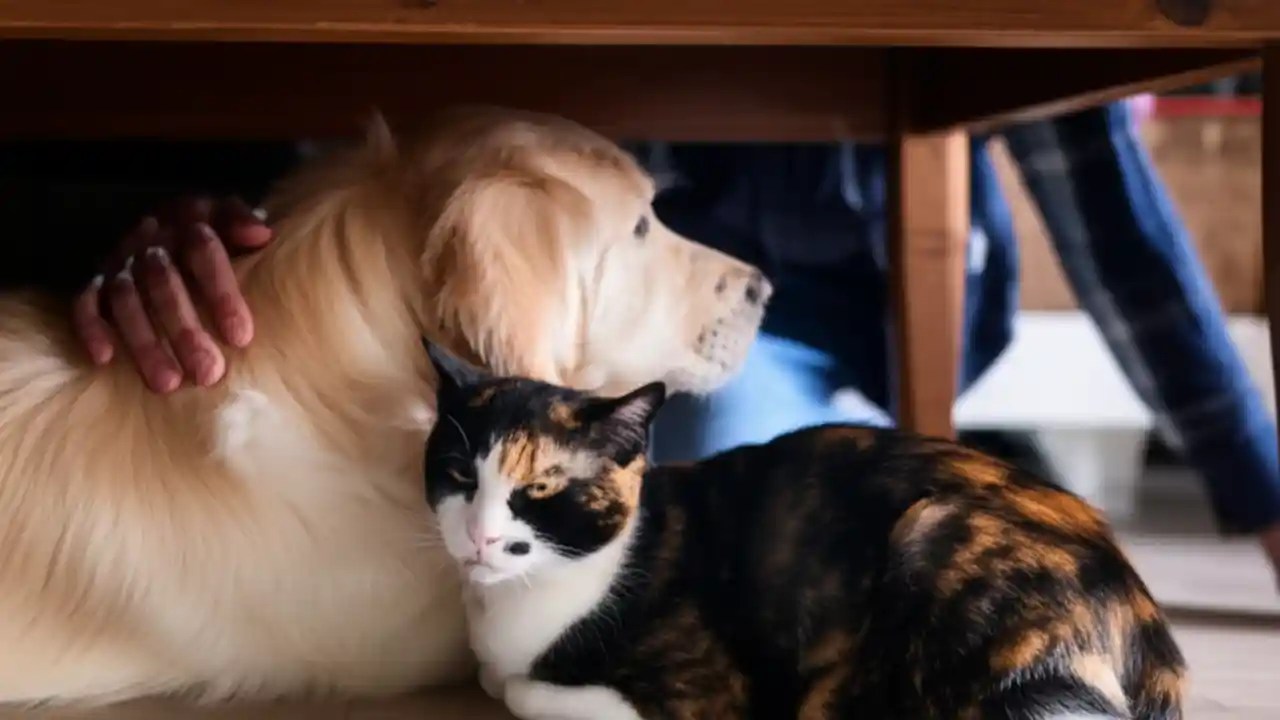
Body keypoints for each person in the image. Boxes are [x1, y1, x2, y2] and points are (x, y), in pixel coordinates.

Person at [13, 100, 1278, 583]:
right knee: (630, 503)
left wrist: (1256, 484)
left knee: (677, 512)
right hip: (611, 334)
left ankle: (893, 446)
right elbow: (369, 158)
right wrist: (218, 228)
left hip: (878, 304)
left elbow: (1112, 224)